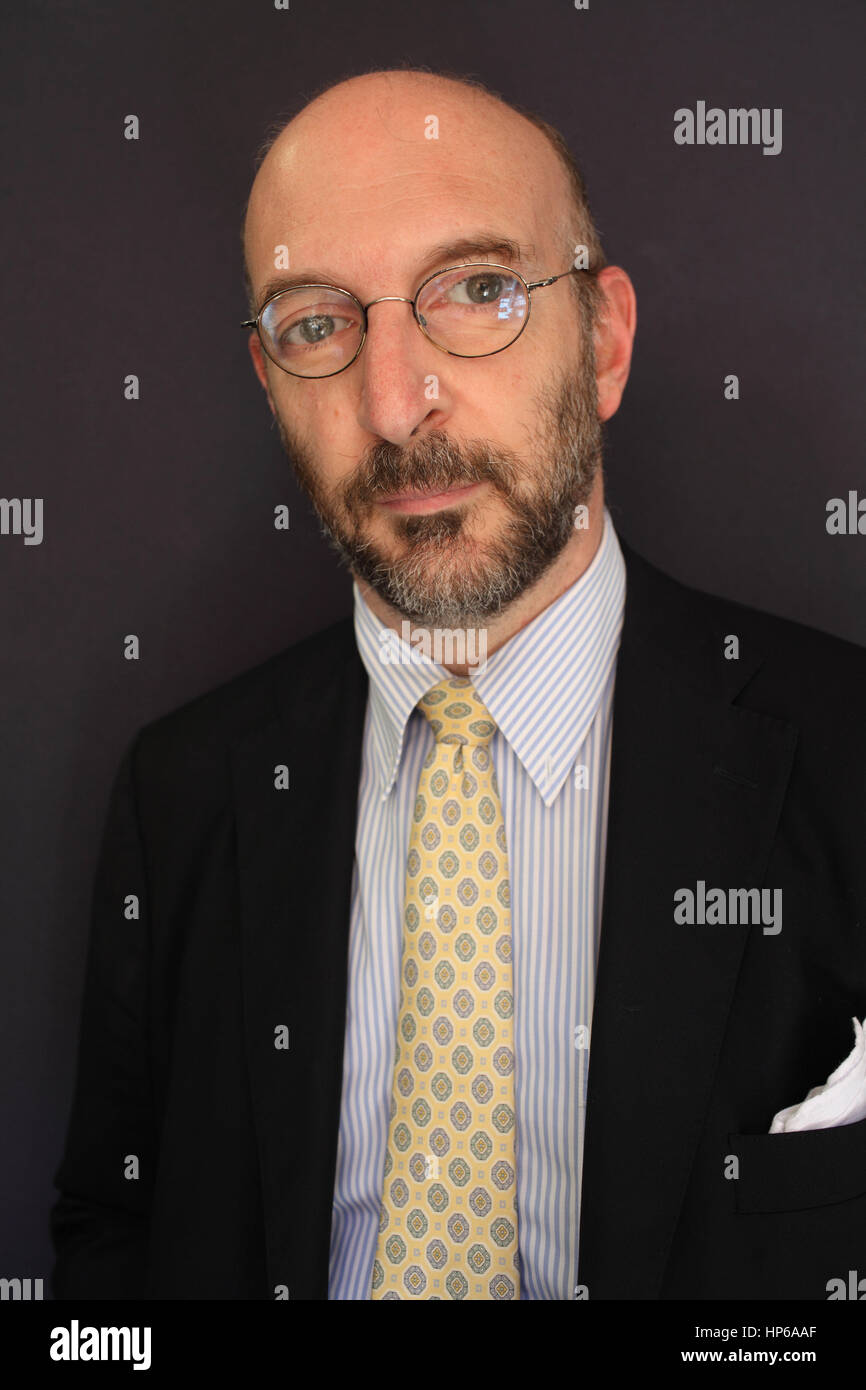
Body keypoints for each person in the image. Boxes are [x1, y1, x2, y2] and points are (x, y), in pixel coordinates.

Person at [51, 67, 866, 1301]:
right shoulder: (183, 792)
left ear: (601, 342)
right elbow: (111, 1237)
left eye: (477, 291)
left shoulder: (845, 751)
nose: (394, 404)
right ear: (271, 383)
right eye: (318, 322)